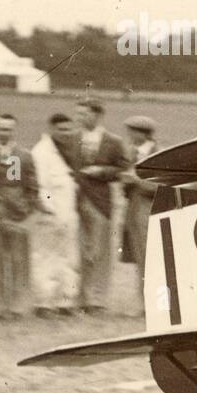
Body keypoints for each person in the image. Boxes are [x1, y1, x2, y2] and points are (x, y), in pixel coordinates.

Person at [0, 114, 39, 317]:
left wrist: (25, 210)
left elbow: (33, 189)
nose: (4, 132)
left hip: (16, 215)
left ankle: (18, 307)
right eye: (1, 128)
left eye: (8, 129)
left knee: (19, 261)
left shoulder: (24, 156)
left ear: (14, 131)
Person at [73, 99, 129, 314]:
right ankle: (82, 298)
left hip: (100, 203)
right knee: (81, 252)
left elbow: (123, 169)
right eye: (78, 114)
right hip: (77, 202)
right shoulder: (73, 139)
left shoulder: (113, 142)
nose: (80, 118)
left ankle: (97, 300)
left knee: (100, 252)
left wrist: (102, 172)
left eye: (84, 114)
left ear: (97, 115)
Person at [29, 112, 82, 315]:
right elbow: (41, 187)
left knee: (69, 259)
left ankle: (65, 302)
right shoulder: (42, 152)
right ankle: (44, 303)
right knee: (46, 258)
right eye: (61, 129)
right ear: (52, 129)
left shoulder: (69, 151)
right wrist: (50, 211)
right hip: (50, 215)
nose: (66, 133)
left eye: (69, 129)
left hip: (69, 215)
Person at [119, 116, 159, 312]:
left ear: (143, 133)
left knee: (150, 262)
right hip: (134, 214)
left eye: (133, 132)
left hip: (149, 214)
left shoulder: (157, 155)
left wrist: (135, 181)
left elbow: (160, 186)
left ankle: (151, 306)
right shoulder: (133, 154)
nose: (130, 136)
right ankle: (145, 304)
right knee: (141, 262)